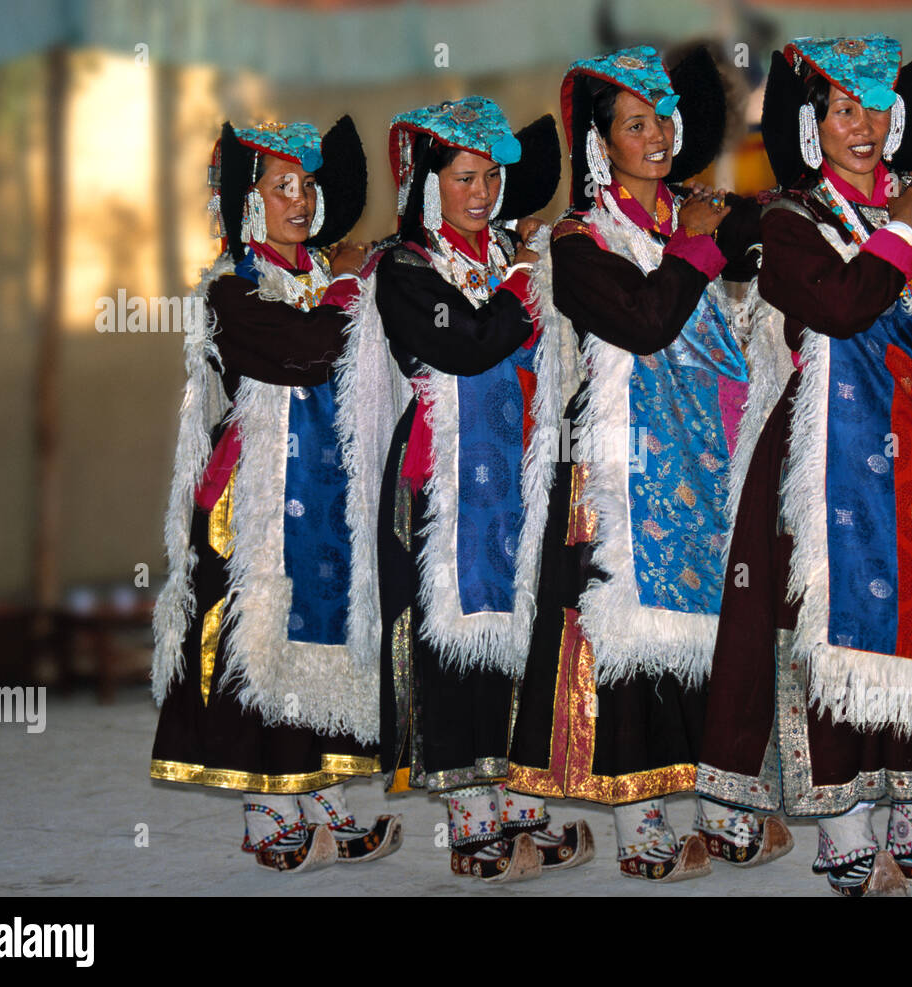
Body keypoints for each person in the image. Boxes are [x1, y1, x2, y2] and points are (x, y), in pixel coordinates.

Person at [695, 36, 912, 896]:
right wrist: (903, 225)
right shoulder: (790, 220)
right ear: (813, 124)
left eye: (874, 106)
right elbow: (838, 305)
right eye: (841, 109)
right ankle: (842, 831)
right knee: (829, 638)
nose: (861, 125)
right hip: (816, 459)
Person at [505, 45, 784, 882]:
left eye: (662, 118)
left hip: (710, 463)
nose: (658, 135)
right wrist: (697, 248)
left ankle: (727, 812)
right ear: (602, 145)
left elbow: (773, 243)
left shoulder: (697, 214)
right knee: (624, 648)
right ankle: (643, 830)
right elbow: (640, 319)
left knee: (713, 638)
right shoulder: (576, 241)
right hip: (621, 472)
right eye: (635, 124)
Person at [150, 118, 406, 872]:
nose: (299, 200)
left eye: (308, 186)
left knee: (329, 640)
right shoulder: (231, 288)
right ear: (250, 202)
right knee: (254, 638)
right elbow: (302, 353)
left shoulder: (335, 276)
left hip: (335, 490)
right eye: (281, 186)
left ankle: (324, 790)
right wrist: (354, 285)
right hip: (257, 497)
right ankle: (267, 808)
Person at [368, 96, 593, 882]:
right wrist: (525, 275)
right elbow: (466, 343)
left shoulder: (511, 252)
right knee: (456, 641)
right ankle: (472, 820)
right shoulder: (402, 268)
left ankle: (521, 800)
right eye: (465, 177)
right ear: (430, 185)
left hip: (521, 472)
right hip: (442, 484)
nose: (483, 192)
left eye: (492, 176)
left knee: (522, 631)